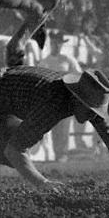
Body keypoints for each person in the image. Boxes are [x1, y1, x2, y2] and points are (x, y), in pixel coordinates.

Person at [37, 33, 81, 162]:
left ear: (62, 45)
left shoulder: (68, 60)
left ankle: (63, 154)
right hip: (51, 99)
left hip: (66, 98)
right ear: (50, 44)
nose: (56, 45)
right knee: (54, 127)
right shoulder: (44, 62)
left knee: (64, 127)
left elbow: (79, 75)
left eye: (59, 43)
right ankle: (57, 154)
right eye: (54, 43)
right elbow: (38, 79)